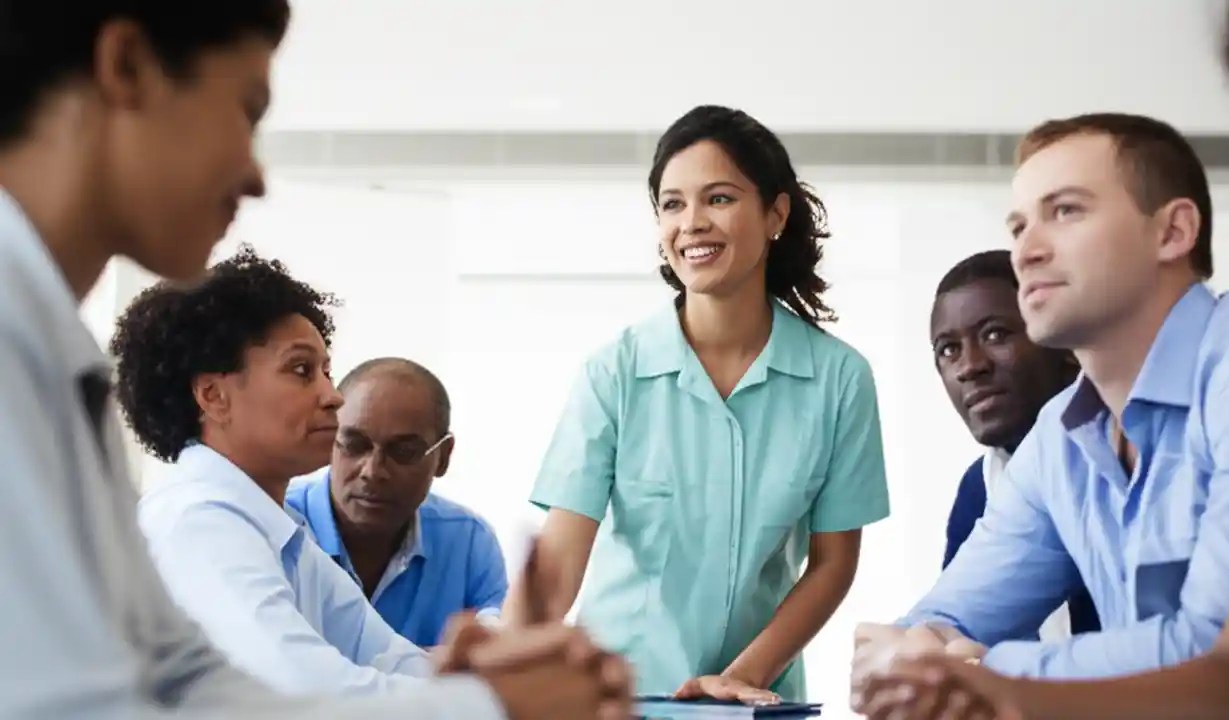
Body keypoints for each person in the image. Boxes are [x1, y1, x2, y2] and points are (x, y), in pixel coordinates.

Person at [0, 2, 627, 717]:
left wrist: (484, 687)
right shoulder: (187, 507)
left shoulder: (55, 360)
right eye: (245, 109)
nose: (255, 172)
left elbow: (192, 683)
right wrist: (491, 704)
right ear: (129, 68)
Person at [855, 2, 1229, 718]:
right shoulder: (1059, 437)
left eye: (1066, 211)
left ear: (1172, 231)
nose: (1026, 248)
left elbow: (1222, 656)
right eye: (1018, 224)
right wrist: (915, 655)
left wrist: (994, 669)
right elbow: (923, 632)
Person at [505, 104, 891, 704]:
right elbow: (558, 558)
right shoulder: (615, 371)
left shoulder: (839, 378)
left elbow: (832, 565)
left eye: (719, 199)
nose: (692, 223)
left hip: (757, 697)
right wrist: (506, 676)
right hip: (616, 698)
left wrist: (742, 678)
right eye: (673, 204)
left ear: (775, 215)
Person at [931, 250, 1098, 641]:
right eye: (948, 349)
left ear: (1066, 347)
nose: (969, 366)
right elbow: (957, 635)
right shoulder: (979, 488)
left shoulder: (1121, 461)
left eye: (995, 334)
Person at [288, 357, 508, 647]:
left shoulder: (468, 542)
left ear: (443, 457)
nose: (373, 471)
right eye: (354, 444)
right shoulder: (281, 528)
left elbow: (495, 660)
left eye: (403, 451)